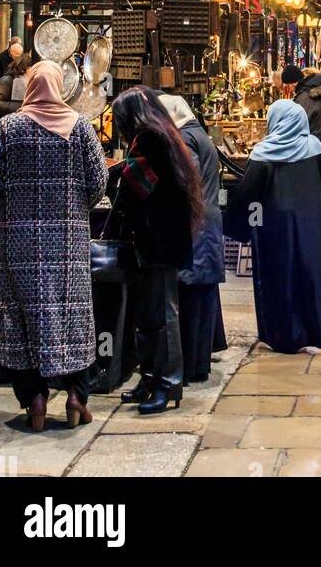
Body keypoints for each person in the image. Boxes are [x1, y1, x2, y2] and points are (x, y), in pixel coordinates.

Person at [0, 59, 107, 430]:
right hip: (67, 247)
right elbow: (98, 183)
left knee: (21, 319)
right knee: (73, 317)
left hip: (16, 246)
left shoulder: (7, 128)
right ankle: (77, 398)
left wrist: (1, 205)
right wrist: (73, 207)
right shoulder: (80, 127)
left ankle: (34, 400)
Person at [110, 87, 204, 414]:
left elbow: (141, 183)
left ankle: (167, 383)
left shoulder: (151, 139)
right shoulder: (159, 135)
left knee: (162, 313)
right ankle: (150, 378)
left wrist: (117, 173)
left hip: (160, 239)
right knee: (148, 313)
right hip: (156, 239)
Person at [226, 99, 321, 352]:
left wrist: (235, 225)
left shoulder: (264, 153)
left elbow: (248, 193)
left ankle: (282, 336)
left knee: (278, 278)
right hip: (310, 222)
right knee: (309, 275)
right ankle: (313, 333)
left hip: (273, 225)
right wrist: (315, 199)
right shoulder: (314, 147)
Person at [158, 93, 226, 385]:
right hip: (206, 223)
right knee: (202, 293)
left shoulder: (185, 139)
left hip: (195, 225)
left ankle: (190, 366)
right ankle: (198, 363)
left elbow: (187, 179)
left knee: (191, 293)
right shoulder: (199, 133)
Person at [0, 50, 31, 125]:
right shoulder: (7, 80)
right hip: (3, 123)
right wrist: (21, 107)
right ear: (25, 67)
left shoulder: (25, 80)